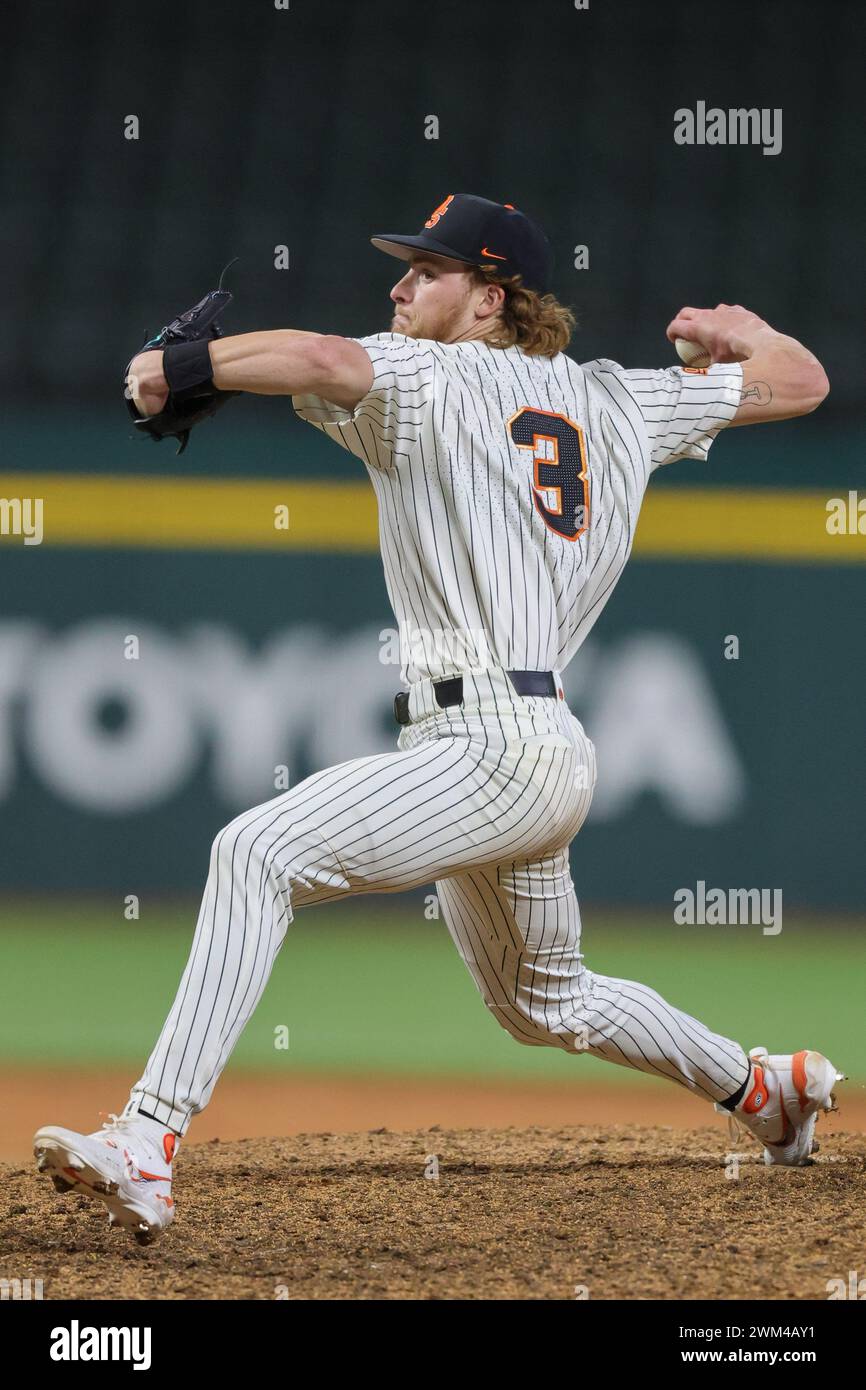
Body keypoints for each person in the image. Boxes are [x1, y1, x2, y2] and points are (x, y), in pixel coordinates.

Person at [34, 194, 838, 1243]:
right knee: (542, 1004)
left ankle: (148, 1135)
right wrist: (737, 332)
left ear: (489, 299)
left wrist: (184, 368)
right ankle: (761, 1090)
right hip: (534, 750)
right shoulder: (619, 402)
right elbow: (803, 380)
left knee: (255, 848)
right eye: (405, 269)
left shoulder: (429, 372)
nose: (400, 287)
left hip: (490, 747)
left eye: (428, 271)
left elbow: (323, 357)